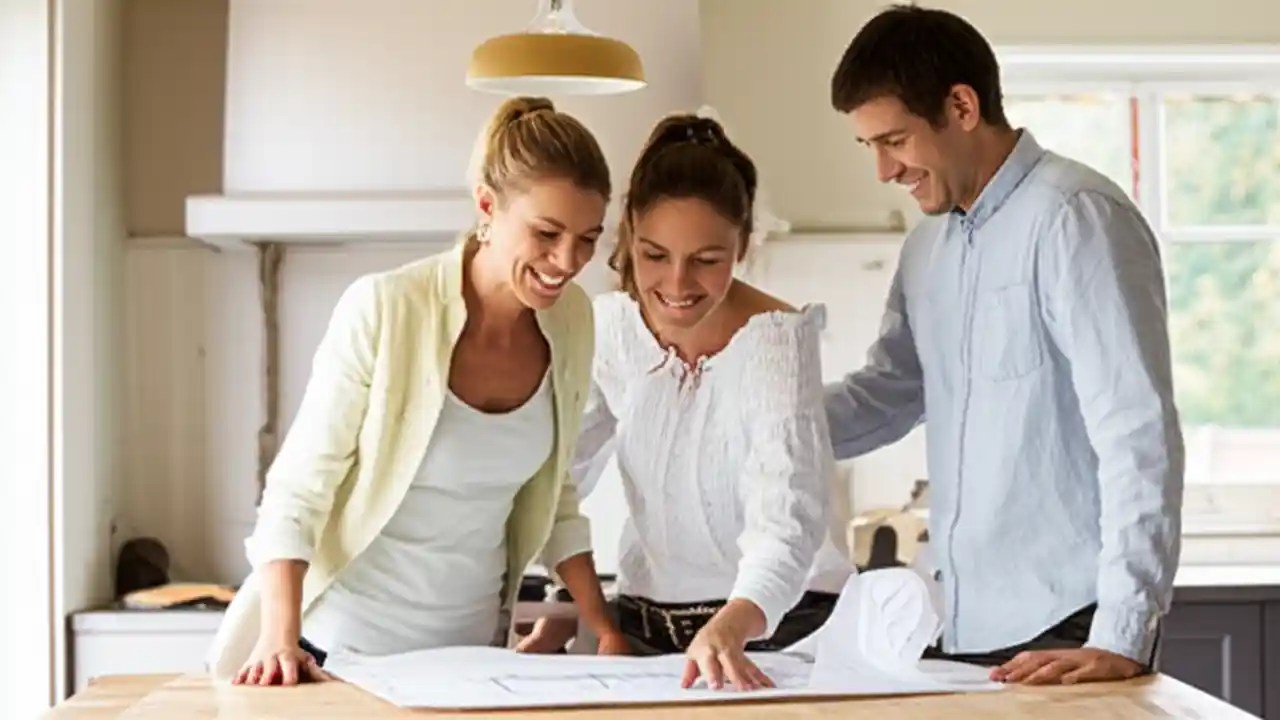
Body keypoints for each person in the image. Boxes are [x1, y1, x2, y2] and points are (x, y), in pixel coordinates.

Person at [205, 96, 629, 685]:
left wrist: (601, 624)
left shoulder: (573, 320)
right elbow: (300, 489)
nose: (568, 260)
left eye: (588, 238)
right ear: (487, 205)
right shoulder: (385, 308)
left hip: (472, 662)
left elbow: (555, 491)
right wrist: (278, 639)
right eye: (547, 233)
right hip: (340, 656)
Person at [823, 5, 1184, 686]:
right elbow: (890, 395)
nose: (882, 170)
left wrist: (1124, 632)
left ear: (961, 106)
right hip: (963, 622)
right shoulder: (926, 246)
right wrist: (755, 424)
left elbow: (1139, 431)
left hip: (1074, 624)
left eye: (894, 140)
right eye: (868, 145)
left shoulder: (1076, 217)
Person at [524, 113, 852, 691]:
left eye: (706, 260)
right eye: (654, 256)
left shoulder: (777, 338)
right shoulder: (608, 328)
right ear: (628, 234)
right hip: (648, 638)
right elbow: (556, 480)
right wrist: (569, 601)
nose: (677, 285)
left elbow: (789, 516)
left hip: (779, 638)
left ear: (743, 244)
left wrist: (735, 621)